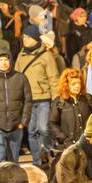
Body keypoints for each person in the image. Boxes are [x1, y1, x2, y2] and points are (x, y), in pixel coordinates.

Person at [15, 23, 62, 163]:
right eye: (24, 37)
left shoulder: (46, 55)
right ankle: (37, 161)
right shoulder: (21, 55)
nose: (25, 39)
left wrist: (56, 98)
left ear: (36, 38)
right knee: (31, 131)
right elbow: (17, 77)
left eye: (28, 37)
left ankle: (47, 157)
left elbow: (53, 77)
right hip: (28, 100)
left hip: (43, 99)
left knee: (43, 128)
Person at [0, 47, 33, 165]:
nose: (3, 63)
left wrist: (23, 122)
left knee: (13, 161)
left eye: (6, 59)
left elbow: (28, 101)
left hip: (16, 126)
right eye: (0, 60)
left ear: (11, 61)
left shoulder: (20, 78)